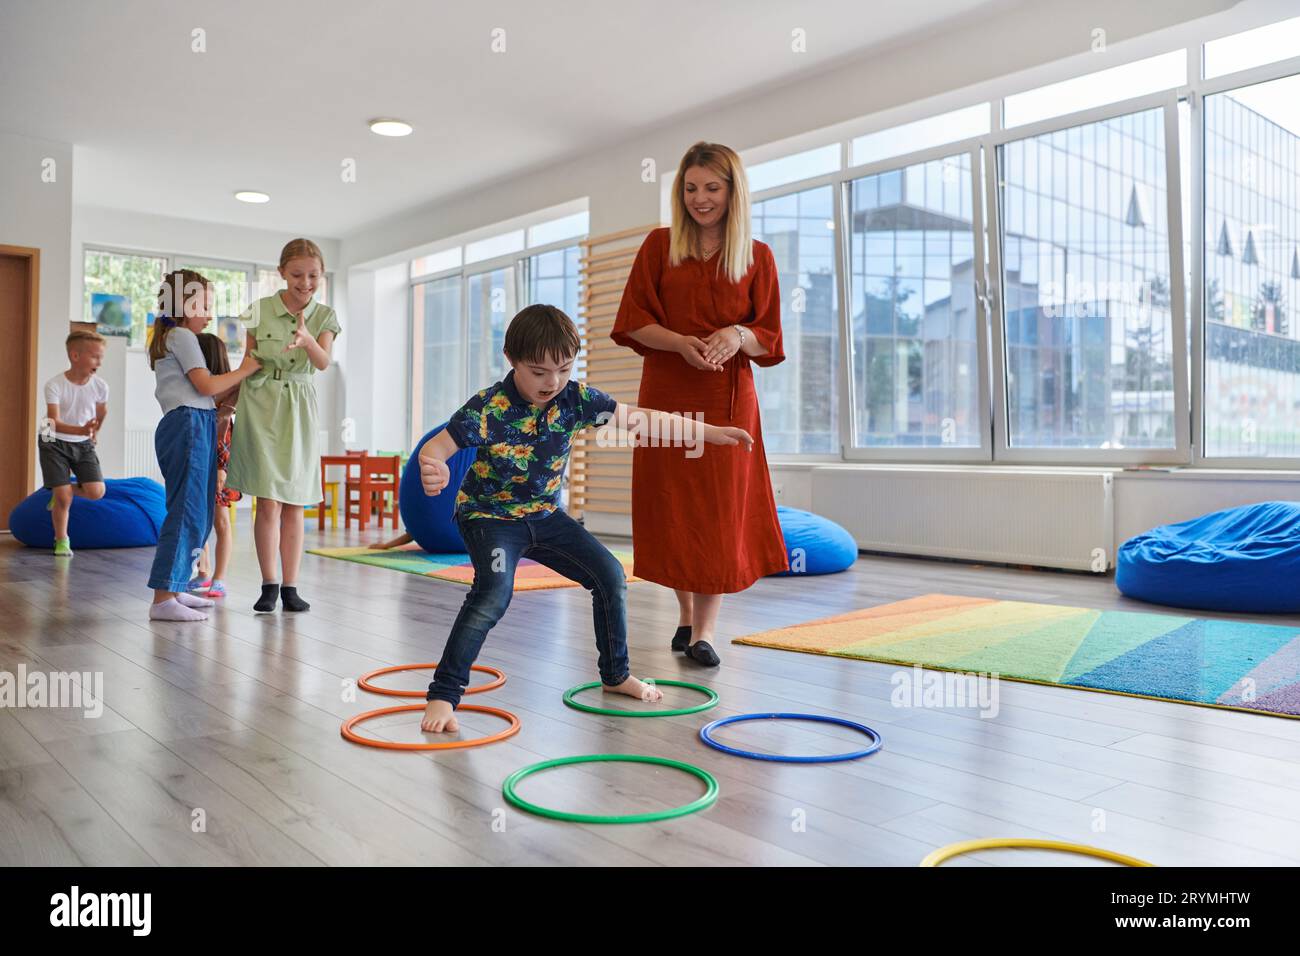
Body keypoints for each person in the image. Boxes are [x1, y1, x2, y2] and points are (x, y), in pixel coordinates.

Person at [416, 304, 753, 733]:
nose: (552, 382)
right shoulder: (488, 407)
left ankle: (615, 676)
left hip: (547, 515)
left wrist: (711, 433)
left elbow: (640, 421)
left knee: (610, 575)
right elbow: (437, 447)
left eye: (563, 368)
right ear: (512, 360)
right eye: (538, 371)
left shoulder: (575, 399)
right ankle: (444, 694)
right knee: (493, 595)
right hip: (490, 520)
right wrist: (435, 468)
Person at [610, 141, 788, 668]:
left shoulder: (758, 256)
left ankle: (705, 631)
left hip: (728, 400)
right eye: (690, 188)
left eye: (712, 187)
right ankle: (685, 615)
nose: (700, 199)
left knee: (716, 510)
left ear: (733, 191)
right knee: (673, 506)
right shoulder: (658, 246)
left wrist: (737, 334)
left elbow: (771, 338)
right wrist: (680, 342)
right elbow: (633, 321)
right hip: (667, 393)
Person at [225, 238, 341, 614]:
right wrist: (227, 404)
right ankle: (269, 584)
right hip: (260, 404)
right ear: (281, 273)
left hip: (299, 407)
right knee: (267, 500)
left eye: (313, 276)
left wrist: (308, 341)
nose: (305, 283)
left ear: (321, 275)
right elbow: (247, 361)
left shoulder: (325, 315)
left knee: (295, 499)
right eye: (296, 275)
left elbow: (323, 363)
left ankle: (291, 586)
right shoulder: (259, 311)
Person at [146, 270, 260, 622]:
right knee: (186, 513)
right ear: (183, 303)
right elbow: (206, 385)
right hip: (188, 426)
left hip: (197, 423)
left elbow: (207, 395)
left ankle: (176, 588)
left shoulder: (177, 337)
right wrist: (246, 368)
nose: (210, 314)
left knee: (196, 514)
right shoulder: (180, 335)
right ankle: (164, 597)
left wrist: (236, 393)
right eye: (204, 305)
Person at [40, 330, 110, 557]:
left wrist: (94, 432)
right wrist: (82, 429)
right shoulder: (55, 384)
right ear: (75, 356)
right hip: (50, 435)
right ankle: (61, 540)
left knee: (96, 492)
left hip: (81, 441)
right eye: (95, 356)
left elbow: (101, 412)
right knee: (63, 497)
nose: (99, 362)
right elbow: (52, 421)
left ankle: (60, 488)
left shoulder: (100, 386)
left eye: (101, 357)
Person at [187, 331, 242, 599]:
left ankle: (219, 578)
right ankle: (203, 572)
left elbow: (224, 434)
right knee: (199, 519)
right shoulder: (197, 390)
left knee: (220, 521)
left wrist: (221, 468)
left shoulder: (226, 393)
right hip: (199, 459)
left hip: (218, 461)